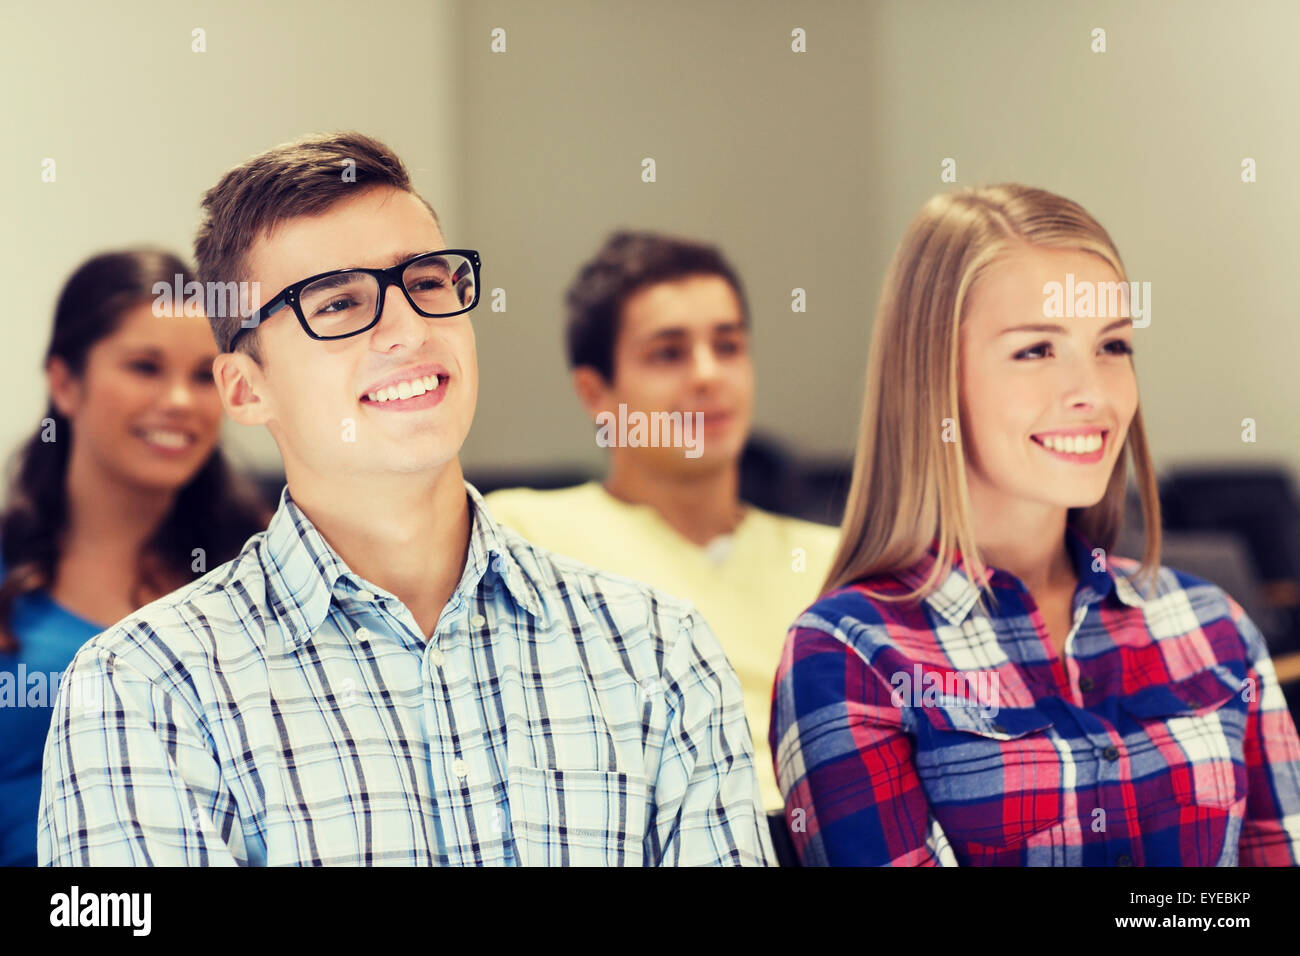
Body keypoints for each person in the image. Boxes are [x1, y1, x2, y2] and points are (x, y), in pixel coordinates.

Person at [38, 132, 772, 866]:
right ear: (245, 388)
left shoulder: (659, 649)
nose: (408, 328)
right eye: (336, 302)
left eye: (426, 282)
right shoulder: (141, 690)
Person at [770, 184, 1300, 866]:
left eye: (1113, 345)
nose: (1094, 392)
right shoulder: (848, 659)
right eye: (1036, 350)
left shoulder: (1212, 624)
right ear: (932, 380)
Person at [485, 231, 839, 813]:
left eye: (728, 346)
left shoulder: (837, 558)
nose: (708, 375)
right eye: (668, 353)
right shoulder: (523, 534)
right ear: (596, 393)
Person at [0, 249, 269, 866]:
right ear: (65, 382)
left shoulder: (263, 563)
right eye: (145, 367)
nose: (179, 399)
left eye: (205, 376)